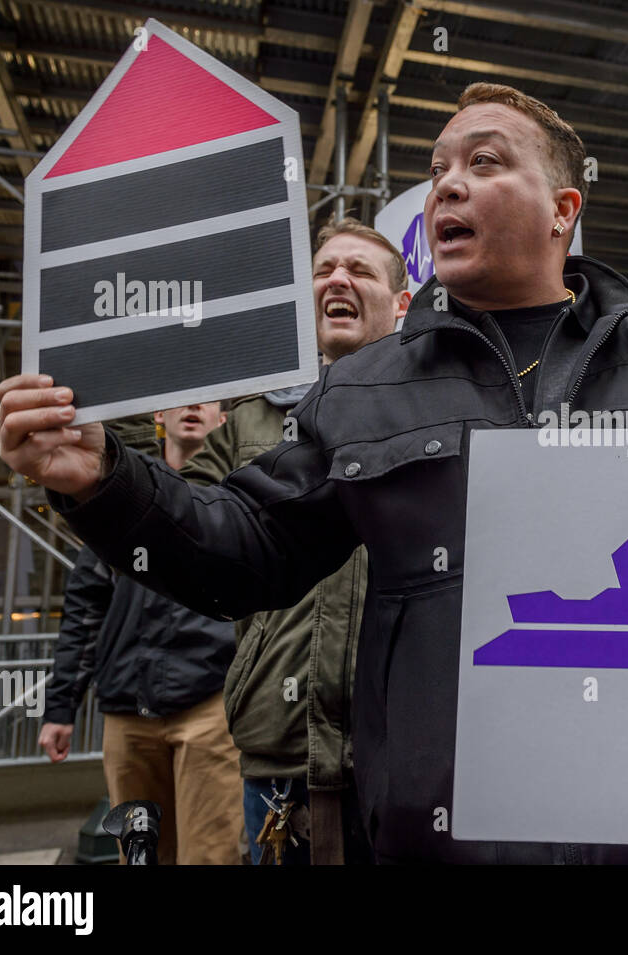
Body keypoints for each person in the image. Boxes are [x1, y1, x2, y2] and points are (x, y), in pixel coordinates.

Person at [0, 82, 628, 864]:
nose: (447, 185)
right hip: (441, 835)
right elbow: (245, 549)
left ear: (563, 210)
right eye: (436, 170)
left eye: (483, 162)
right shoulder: (366, 387)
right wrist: (103, 475)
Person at [182, 218, 411, 864]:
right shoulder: (247, 416)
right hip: (278, 742)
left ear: (403, 305)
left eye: (360, 270)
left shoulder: (438, 409)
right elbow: (192, 532)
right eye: (324, 270)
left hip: (404, 745)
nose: (338, 277)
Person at [40, 402, 242, 865]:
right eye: (183, 398)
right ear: (159, 417)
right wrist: (60, 707)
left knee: (210, 856)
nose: (193, 405)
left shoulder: (236, 499)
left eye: (208, 399)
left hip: (210, 704)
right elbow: (86, 602)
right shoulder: (122, 496)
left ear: (224, 421)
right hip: (128, 707)